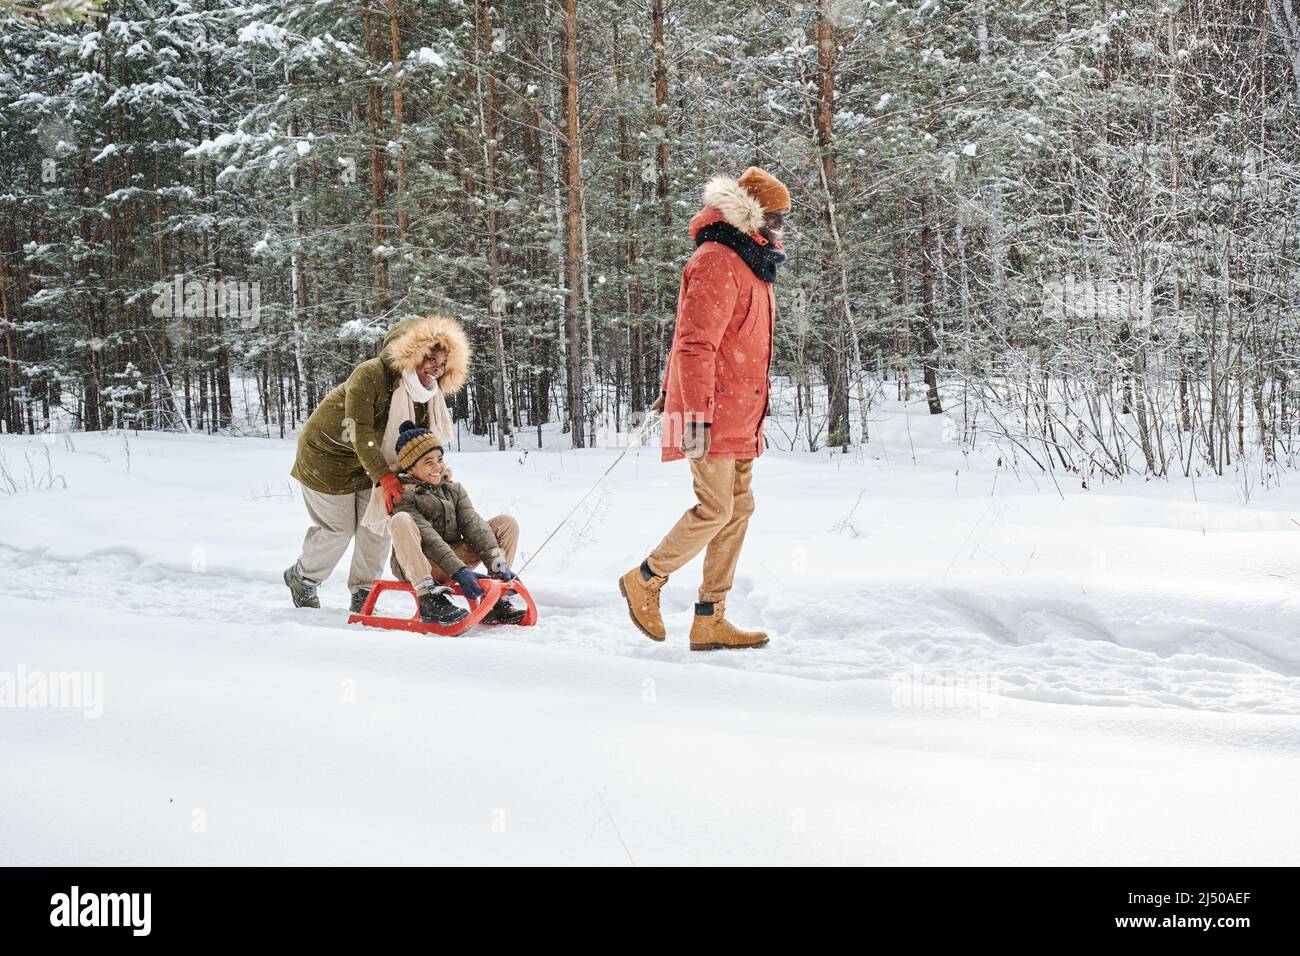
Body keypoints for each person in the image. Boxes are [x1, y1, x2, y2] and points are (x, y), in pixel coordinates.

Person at [618, 167, 790, 651]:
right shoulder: (717, 259)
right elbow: (695, 344)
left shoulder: (752, 261)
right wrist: (691, 411)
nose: (781, 227)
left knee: (738, 509)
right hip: (710, 413)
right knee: (715, 508)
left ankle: (711, 617)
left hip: (741, 410)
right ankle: (646, 578)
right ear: (751, 214)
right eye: (776, 217)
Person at [284, 315, 469, 612]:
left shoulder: (425, 396)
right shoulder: (369, 375)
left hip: (375, 463)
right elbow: (359, 432)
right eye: (430, 358)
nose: (437, 367)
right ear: (412, 353)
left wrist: (433, 467)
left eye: (443, 362)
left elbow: (418, 441)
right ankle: (303, 578)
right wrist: (384, 476)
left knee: (378, 526)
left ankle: (364, 591)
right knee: (339, 530)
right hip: (329, 458)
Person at [387, 420, 526, 626]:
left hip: (454, 560)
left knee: (506, 523)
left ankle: (496, 598)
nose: (437, 466)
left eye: (440, 459)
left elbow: (475, 526)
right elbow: (429, 538)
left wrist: (498, 562)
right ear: (411, 467)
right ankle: (427, 596)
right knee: (401, 520)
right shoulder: (402, 496)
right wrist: (459, 571)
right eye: (428, 462)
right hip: (421, 565)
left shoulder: (453, 490)